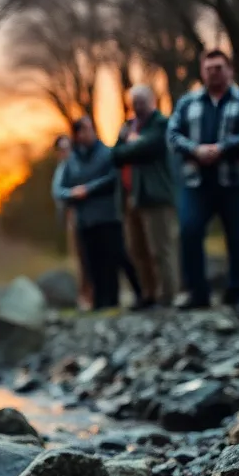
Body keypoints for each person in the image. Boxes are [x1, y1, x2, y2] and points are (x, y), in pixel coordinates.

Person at [167, 49, 239, 308]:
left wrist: (223, 148)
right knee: (189, 231)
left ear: (230, 70)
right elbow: (172, 135)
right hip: (196, 183)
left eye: (219, 67)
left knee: (238, 237)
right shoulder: (187, 103)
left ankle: (238, 293)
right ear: (202, 71)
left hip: (235, 182)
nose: (214, 72)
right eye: (209, 68)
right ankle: (198, 293)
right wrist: (195, 150)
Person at [55, 115, 142, 310]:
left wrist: (88, 189)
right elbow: (60, 188)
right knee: (94, 263)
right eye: (82, 130)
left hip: (108, 215)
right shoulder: (73, 161)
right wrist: (72, 193)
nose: (87, 133)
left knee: (118, 256)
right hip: (85, 219)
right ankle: (102, 302)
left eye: (89, 129)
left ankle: (140, 293)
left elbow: (113, 178)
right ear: (76, 135)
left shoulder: (106, 153)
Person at [112, 84, 179, 307]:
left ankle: (167, 295)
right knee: (137, 249)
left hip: (156, 195)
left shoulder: (161, 124)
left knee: (160, 249)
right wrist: (130, 143)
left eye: (141, 101)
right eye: (134, 102)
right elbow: (116, 156)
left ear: (152, 101)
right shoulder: (130, 126)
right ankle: (148, 294)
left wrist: (132, 144)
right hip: (133, 196)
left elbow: (148, 148)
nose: (137, 106)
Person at [51, 133, 91, 310]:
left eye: (67, 148)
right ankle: (83, 296)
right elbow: (57, 193)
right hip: (70, 218)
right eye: (61, 149)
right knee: (79, 258)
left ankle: (89, 296)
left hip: (83, 216)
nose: (64, 152)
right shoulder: (61, 168)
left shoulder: (76, 165)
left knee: (87, 257)